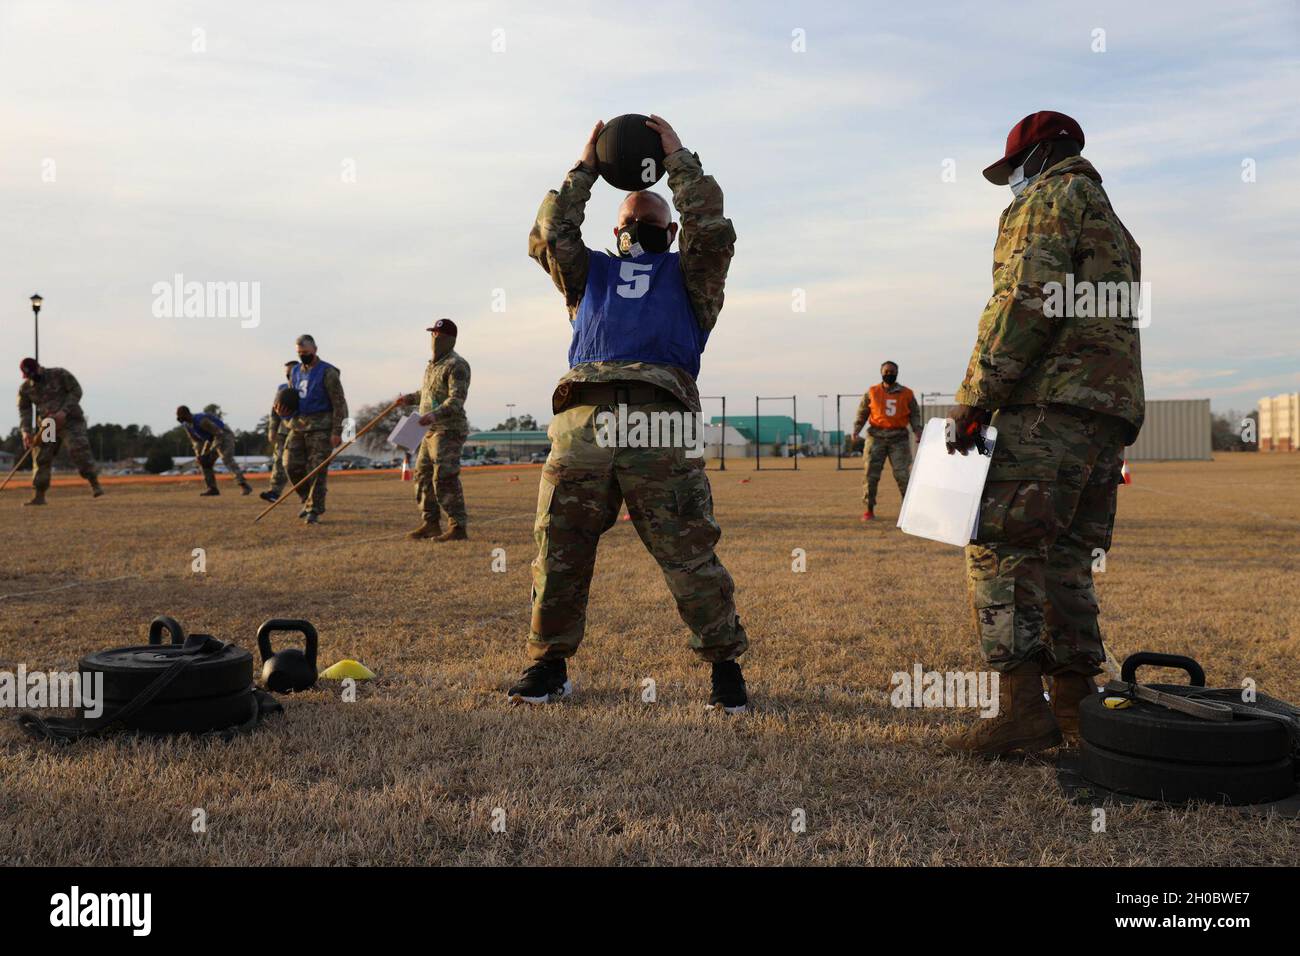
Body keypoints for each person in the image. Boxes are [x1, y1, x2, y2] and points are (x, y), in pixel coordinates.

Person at [509, 115, 750, 712]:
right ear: (611, 229)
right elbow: (550, 228)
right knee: (559, 546)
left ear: (670, 233)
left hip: (658, 420)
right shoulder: (586, 274)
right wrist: (586, 168)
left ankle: (724, 668)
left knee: (687, 550)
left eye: (649, 223)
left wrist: (676, 158)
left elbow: (711, 225)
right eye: (627, 222)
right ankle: (549, 664)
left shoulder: (693, 277)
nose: (636, 228)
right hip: (582, 422)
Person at [943, 111, 1144, 755]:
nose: (1012, 186)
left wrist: (977, 395)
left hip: (1047, 407)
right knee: (1068, 558)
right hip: (1104, 414)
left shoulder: (1049, 198)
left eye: (1014, 171)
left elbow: (1024, 298)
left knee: (1002, 545)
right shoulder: (1113, 221)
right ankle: (1079, 708)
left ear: (1043, 154)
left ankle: (1024, 711)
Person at [395, 319, 471, 542]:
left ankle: (458, 527)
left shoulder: (457, 365)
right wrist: (407, 399)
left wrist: (435, 415)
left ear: (449, 338)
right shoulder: (432, 365)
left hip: (448, 430)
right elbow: (426, 394)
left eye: (439, 335)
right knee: (422, 475)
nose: (434, 338)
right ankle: (430, 523)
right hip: (427, 430)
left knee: (445, 477)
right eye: (432, 334)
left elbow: (456, 399)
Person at [16, 358, 103, 505]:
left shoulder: (59, 374)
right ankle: (39, 495)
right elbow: (24, 410)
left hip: (70, 420)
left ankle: (94, 483)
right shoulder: (26, 388)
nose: (32, 378)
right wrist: (26, 432)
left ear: (38, 368)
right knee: (42, 456)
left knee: (78, 449)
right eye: (28, 376)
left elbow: (76, 390)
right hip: (49, 425)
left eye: (33, 374)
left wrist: (63, 411)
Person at [285, 334, 347, 525]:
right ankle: (306, 498)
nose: (302, 355)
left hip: (322, 427)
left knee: (317, 469)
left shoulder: (328, 372)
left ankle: (314, 509)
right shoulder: (295, 371)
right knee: (290, 465)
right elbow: (291, 397)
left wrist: (339, 432)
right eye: (299, 353)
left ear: (315, 350)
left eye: (305, 352)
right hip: (298, 426)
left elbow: (340, 403)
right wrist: (284, 412)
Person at [847, 361, 921, 520]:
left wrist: (917, 431)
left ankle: (907, 511)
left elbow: (914, 414)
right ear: (881, 373)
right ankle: (869, 509)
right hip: (876, 437)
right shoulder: (872, 392)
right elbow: (862, 413)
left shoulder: (907, 393)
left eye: (892, 371)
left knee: (902, 475)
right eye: (886, 371)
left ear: (897, 372)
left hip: (899, 438)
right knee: (870, 474)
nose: (889, 374)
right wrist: (856, 430)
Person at [176, 405, 253, 496]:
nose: (182, 421)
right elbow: (196, 441)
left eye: (183, 418)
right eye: (180, 419)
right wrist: (199, 455)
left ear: (188, 414)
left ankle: (244, 485)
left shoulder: (201, 421)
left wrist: (212, 450)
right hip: (210, 439)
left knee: (226, 458)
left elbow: (219, 433)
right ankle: (212, 488)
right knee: (204, 461)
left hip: (224, 434)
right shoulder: (187, 425)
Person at [260, 361, 298, 503]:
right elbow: (275, 411)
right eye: (286, 374)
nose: (289, 376)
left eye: (291, 373)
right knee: (279, 460)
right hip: (283, 431)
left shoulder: (307, 387)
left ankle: (308, 494)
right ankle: (274, 492)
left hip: (301, 430)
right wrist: (272, 430)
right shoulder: (282, 389)